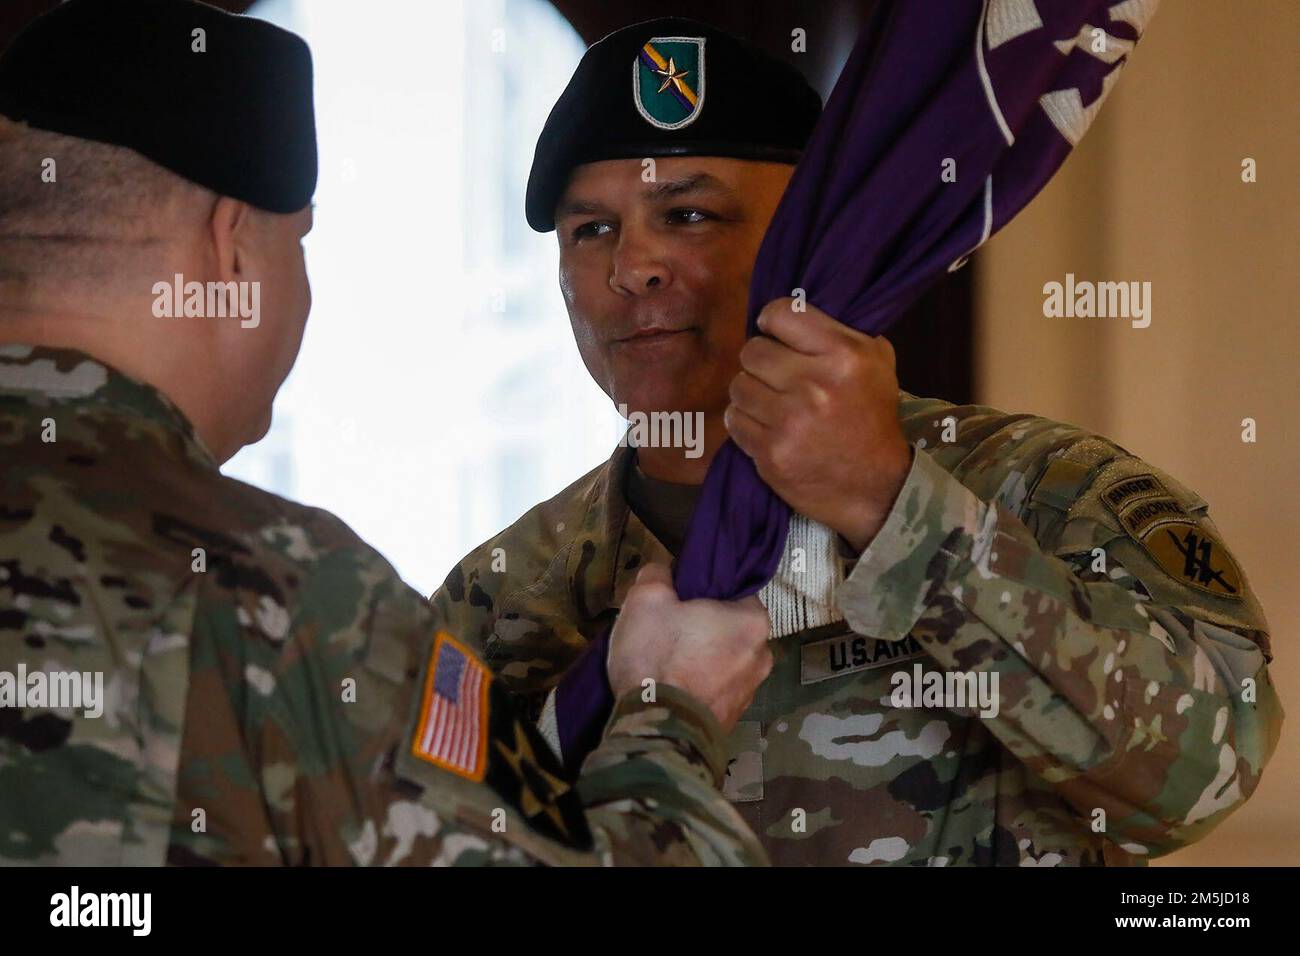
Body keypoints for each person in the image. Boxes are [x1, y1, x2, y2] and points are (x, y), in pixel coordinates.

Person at [429, 16, 1284, 866]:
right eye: (591, 231)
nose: (631, 268)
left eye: (688, 214)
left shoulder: (1047, 490)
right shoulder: (498, 594)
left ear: (811, 239)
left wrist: (892, 501)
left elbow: (1201, 776)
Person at [0, 0, 773, 867]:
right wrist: (671, 714)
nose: (634, 268)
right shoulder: (284, 600)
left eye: (690, 216)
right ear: (232, 251)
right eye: (300, 243)